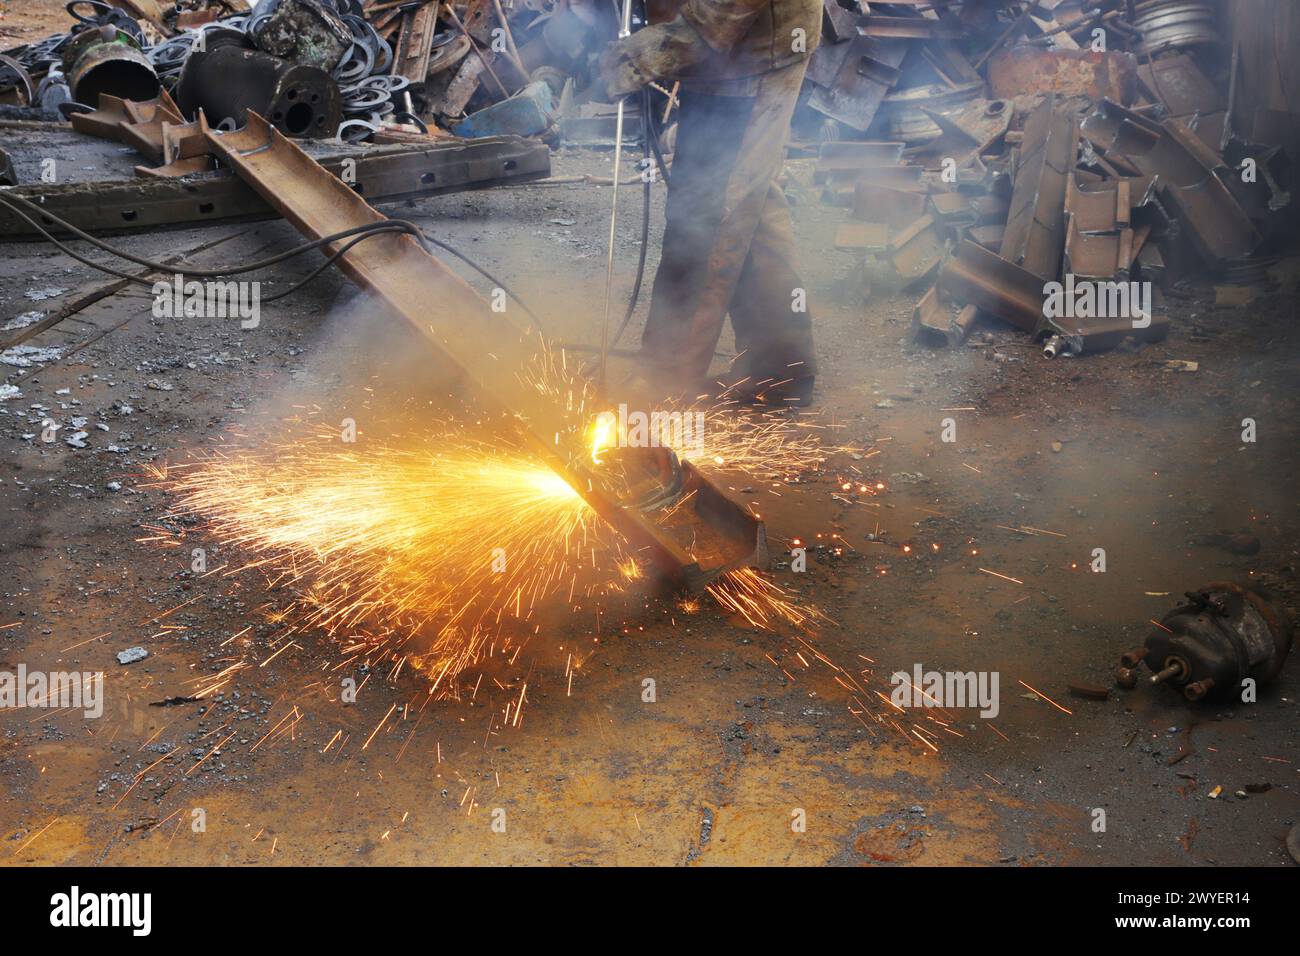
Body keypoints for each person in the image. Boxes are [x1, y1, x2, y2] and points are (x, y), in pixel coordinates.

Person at [598, 0, 822, 405]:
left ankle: (663, 386)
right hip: (727, 53)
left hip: (748, 52)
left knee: (707, 213)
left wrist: (656, 50)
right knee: (747, 200)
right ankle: (778, 370)